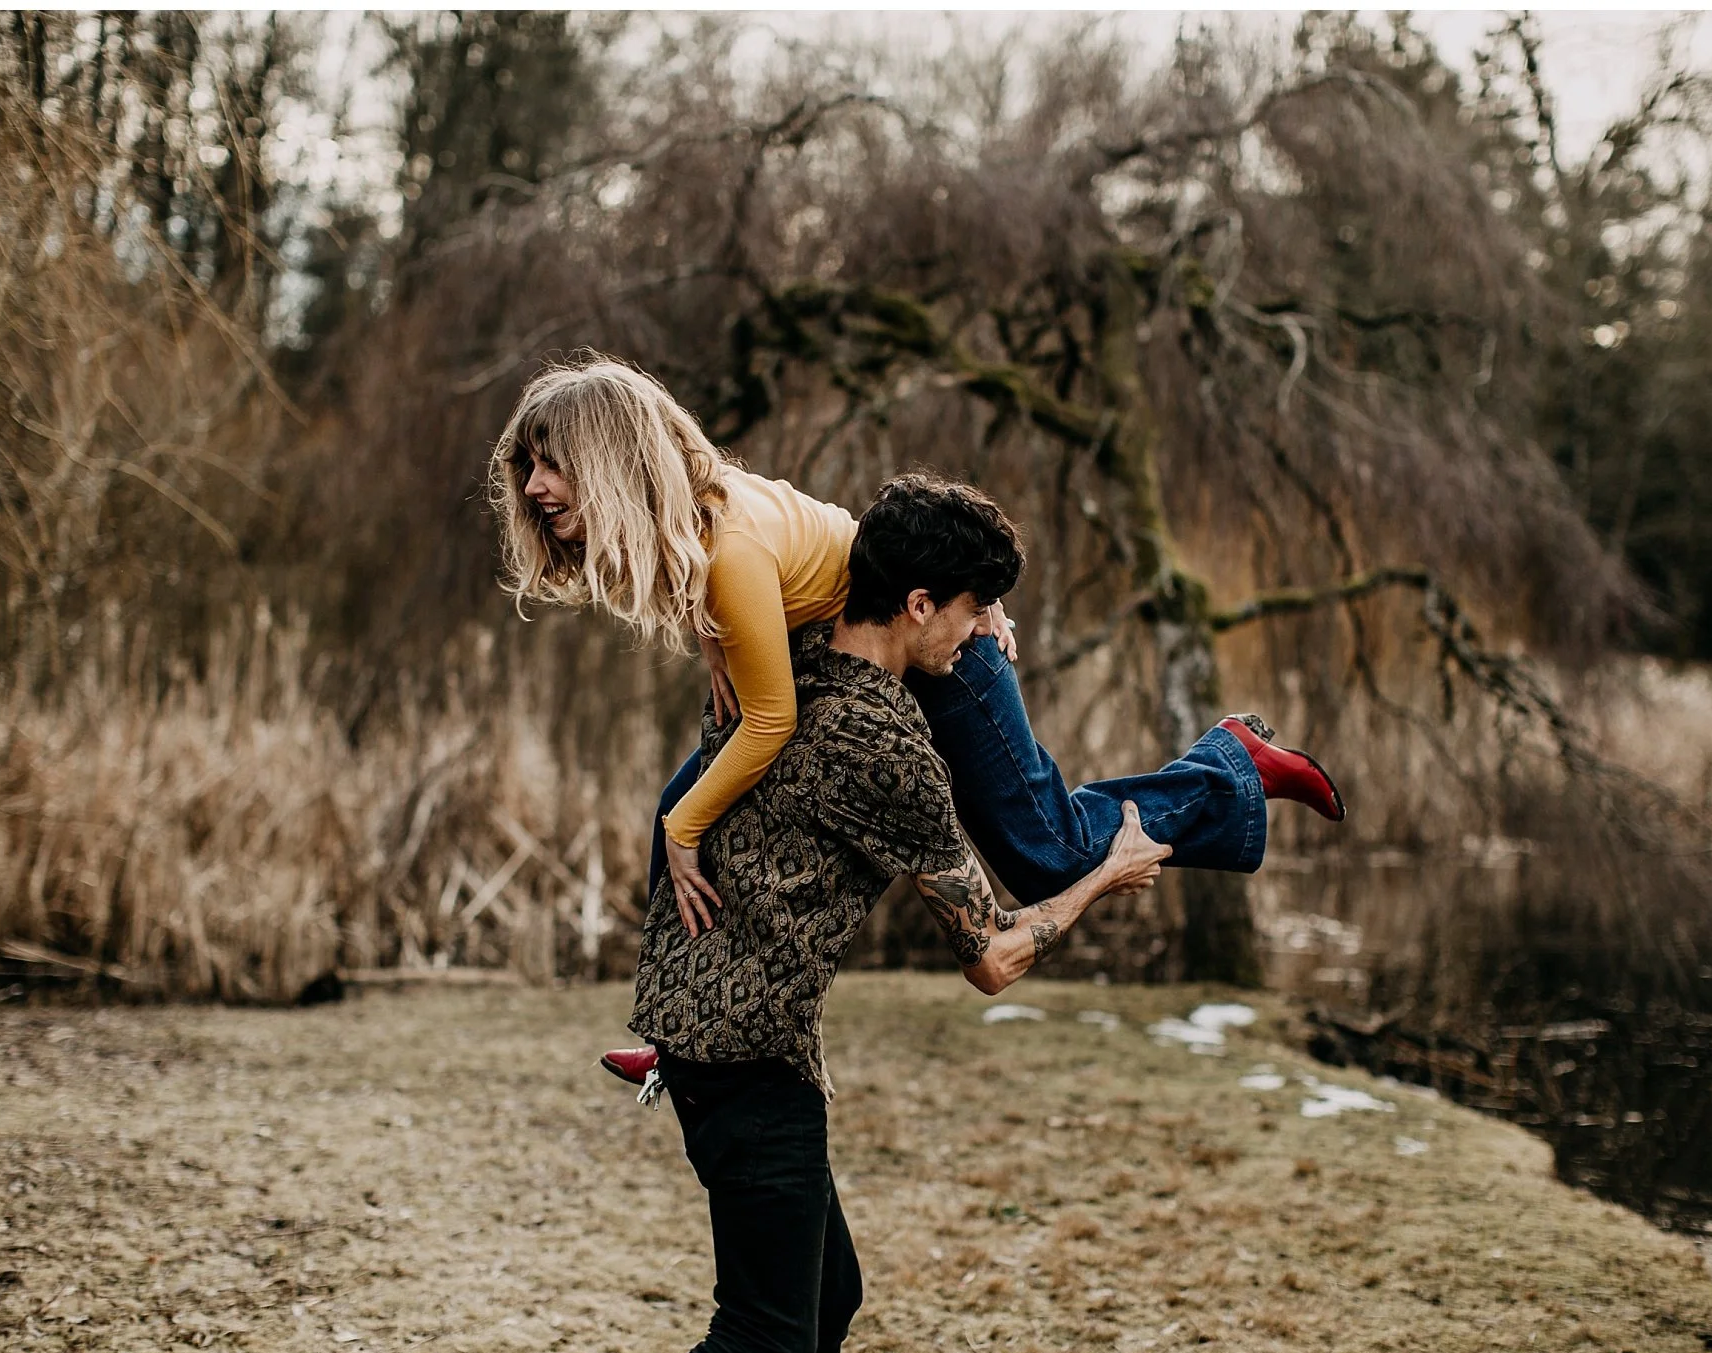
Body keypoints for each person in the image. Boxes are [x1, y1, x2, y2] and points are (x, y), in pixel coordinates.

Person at [485, 351, 1345, 1084]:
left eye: (551, 463)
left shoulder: (728, 549)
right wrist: (712, 650)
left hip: (944, 655)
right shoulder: (696, 519)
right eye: (528, 463)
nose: (534, 485)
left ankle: (1230, 765)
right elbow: (831, 550)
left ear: (610, 460)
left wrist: (982, 600)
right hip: (870, 650)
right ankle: (680, 1038)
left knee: (1051, 853)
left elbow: (774, 714)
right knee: (685, 809)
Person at [626, 474, 1172, 1353]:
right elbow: (991, 956)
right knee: (763, 1332)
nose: (979, 638)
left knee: (829, 1297)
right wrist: (1103, 875)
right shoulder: (890, 752)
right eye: (972, 611)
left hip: (704, 1033)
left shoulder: (782, 654)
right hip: (747, 1061)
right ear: (916, 603)